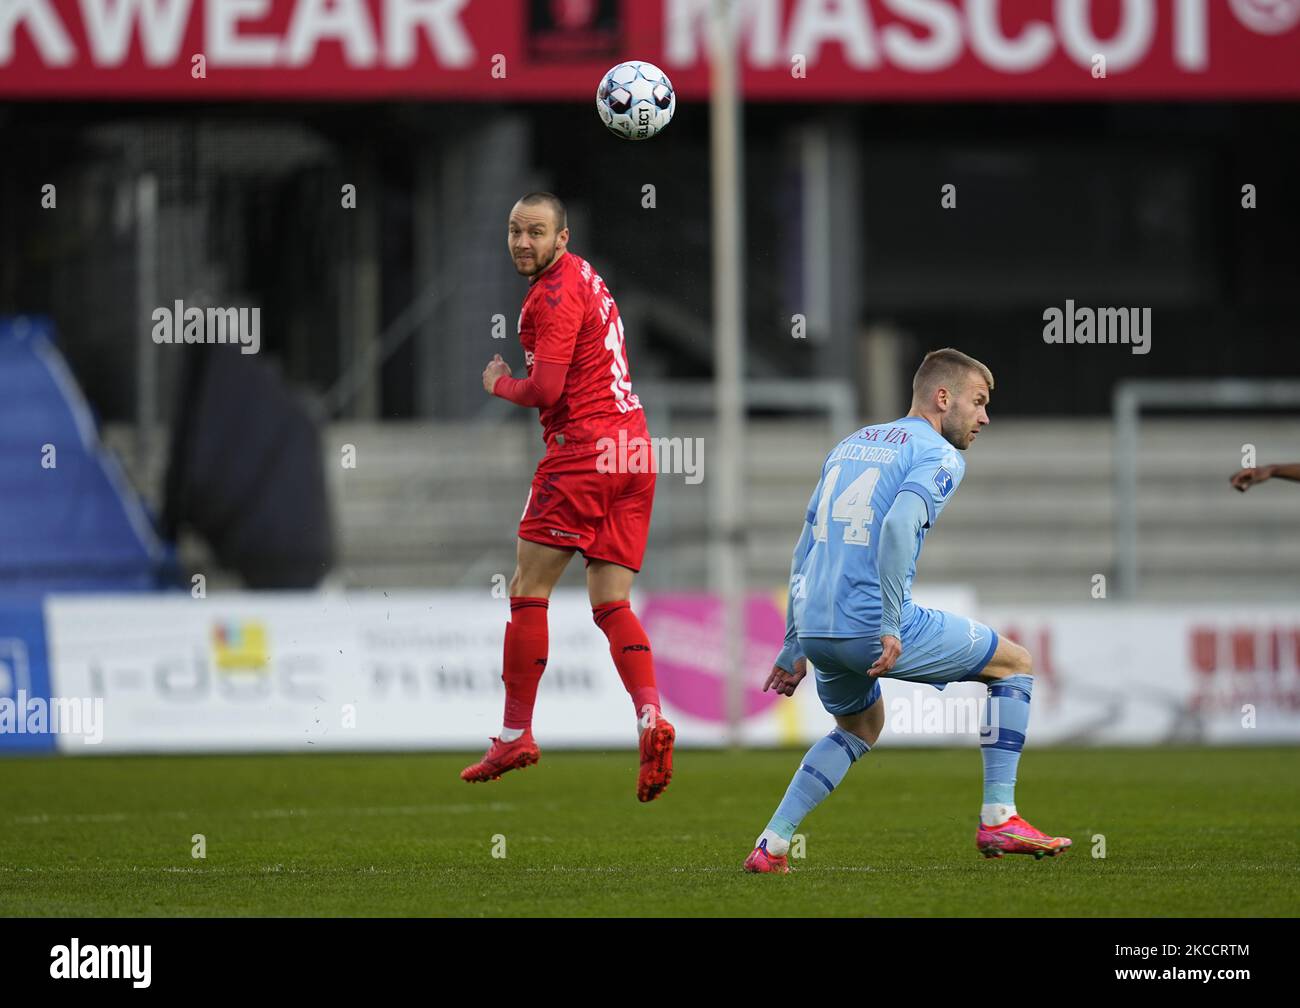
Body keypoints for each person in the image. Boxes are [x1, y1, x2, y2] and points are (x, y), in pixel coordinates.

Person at [744, 348, 1071, 872]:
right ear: (943, 398)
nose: (985, 417)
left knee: (860, 725)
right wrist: (891, 624)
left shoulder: (851, 444)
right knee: (1015, 664)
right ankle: (999, 818)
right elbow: (897, 527)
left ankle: (772, 844)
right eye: (979, 402)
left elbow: (804, 545)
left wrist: (792, 644)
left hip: (818, 628)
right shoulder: (940, 455)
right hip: (871, 623)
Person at [462, 192, 674, 803]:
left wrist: (500, 383)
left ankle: (515, 733)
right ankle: (650, 716)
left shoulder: (551, 294)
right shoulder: (586, 274)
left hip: (583, 451)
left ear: (561, 237)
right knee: (611, 602)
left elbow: (548, 388)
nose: (522, 242)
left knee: (529, 592)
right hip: (633, 451)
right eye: (514, 231)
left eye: (535, 232)